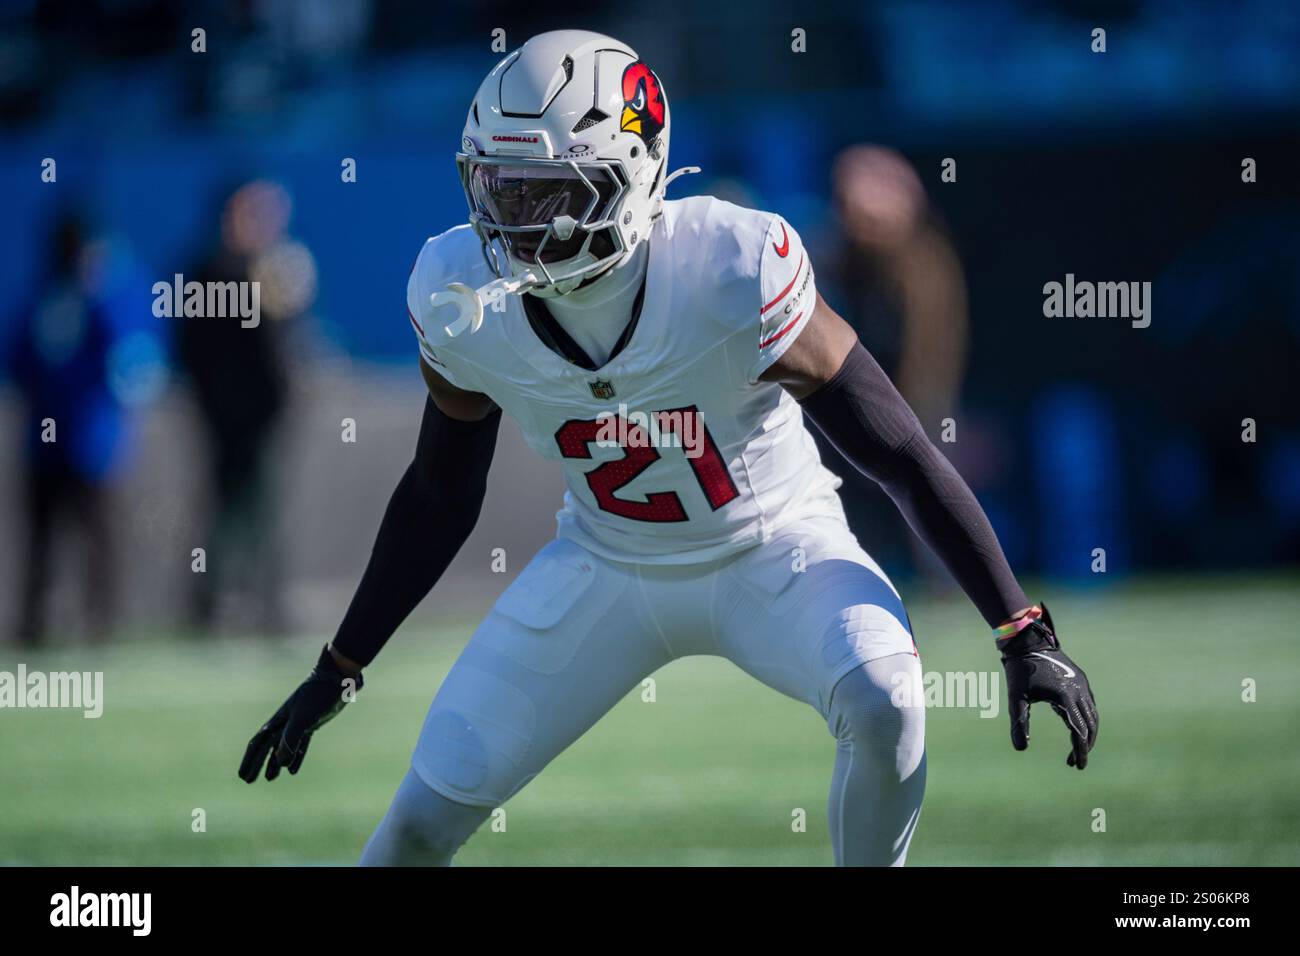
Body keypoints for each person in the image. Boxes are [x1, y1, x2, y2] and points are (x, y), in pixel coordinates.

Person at [239, 31, 1099, 866]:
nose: (512, 218)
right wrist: (342, 665)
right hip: (608, 562)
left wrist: (1021, 628)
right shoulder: (461, 292)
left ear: (629, 177)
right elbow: (440, 493)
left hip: (776, 545)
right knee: (425, 812)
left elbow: (898, 449)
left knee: (886, 699)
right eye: (499, 188)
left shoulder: (730, 265)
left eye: (545, 191)